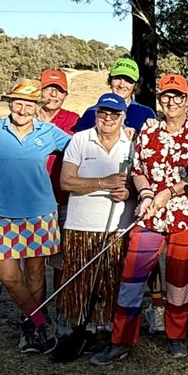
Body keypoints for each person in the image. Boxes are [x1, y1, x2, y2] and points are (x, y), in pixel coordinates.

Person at [91, 74, 188, 364]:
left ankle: (175, 336)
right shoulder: (149, 129)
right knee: (132, 277)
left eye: (178, 96)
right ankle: (120, 340)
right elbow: (138, 169)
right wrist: (145, 194)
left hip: (186, 216)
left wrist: (170, 192)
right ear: (160, 99)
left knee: (178, 279)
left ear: (186, 100)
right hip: (149, 216)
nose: (172, 102)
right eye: (166, 96)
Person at [0, 78, 73, 355]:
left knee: (35, 272)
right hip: (4, 214)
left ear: (37, 107)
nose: (23, 110)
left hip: (40, 213)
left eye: (29, 104)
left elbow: (81, 148)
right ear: (10, 104)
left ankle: (33, 326)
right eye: (18, 103)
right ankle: (40, 320)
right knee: (9, 277)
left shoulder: (48, 132)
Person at [56, 93, 134, 337]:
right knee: (81, 282)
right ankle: (81, 326)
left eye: (114, 114)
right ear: (96, 114)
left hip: (116, 227)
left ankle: (109, 328)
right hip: (81, 225)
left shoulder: (132, 144)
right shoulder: (80, 139)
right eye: (103, 113)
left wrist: (127, 192)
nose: (108, 118)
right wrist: (103, 182)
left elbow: (137, 183)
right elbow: (66, 181)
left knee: (112, 281)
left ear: (123, 117)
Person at [74, 57, 156, 132]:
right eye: (117, 78)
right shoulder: (92, 112)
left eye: (128, 80)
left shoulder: (146, 114)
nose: (121, 85)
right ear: (110, 80)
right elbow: (80, 141)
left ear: (135, 85)